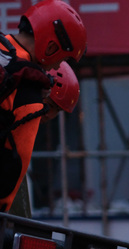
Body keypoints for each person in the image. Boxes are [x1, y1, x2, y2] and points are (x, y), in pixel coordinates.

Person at [0, 1, 86, 212]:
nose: (58, 66)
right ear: (51, 46)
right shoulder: (27, 90)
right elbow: (12, 172)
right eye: (63, 58)